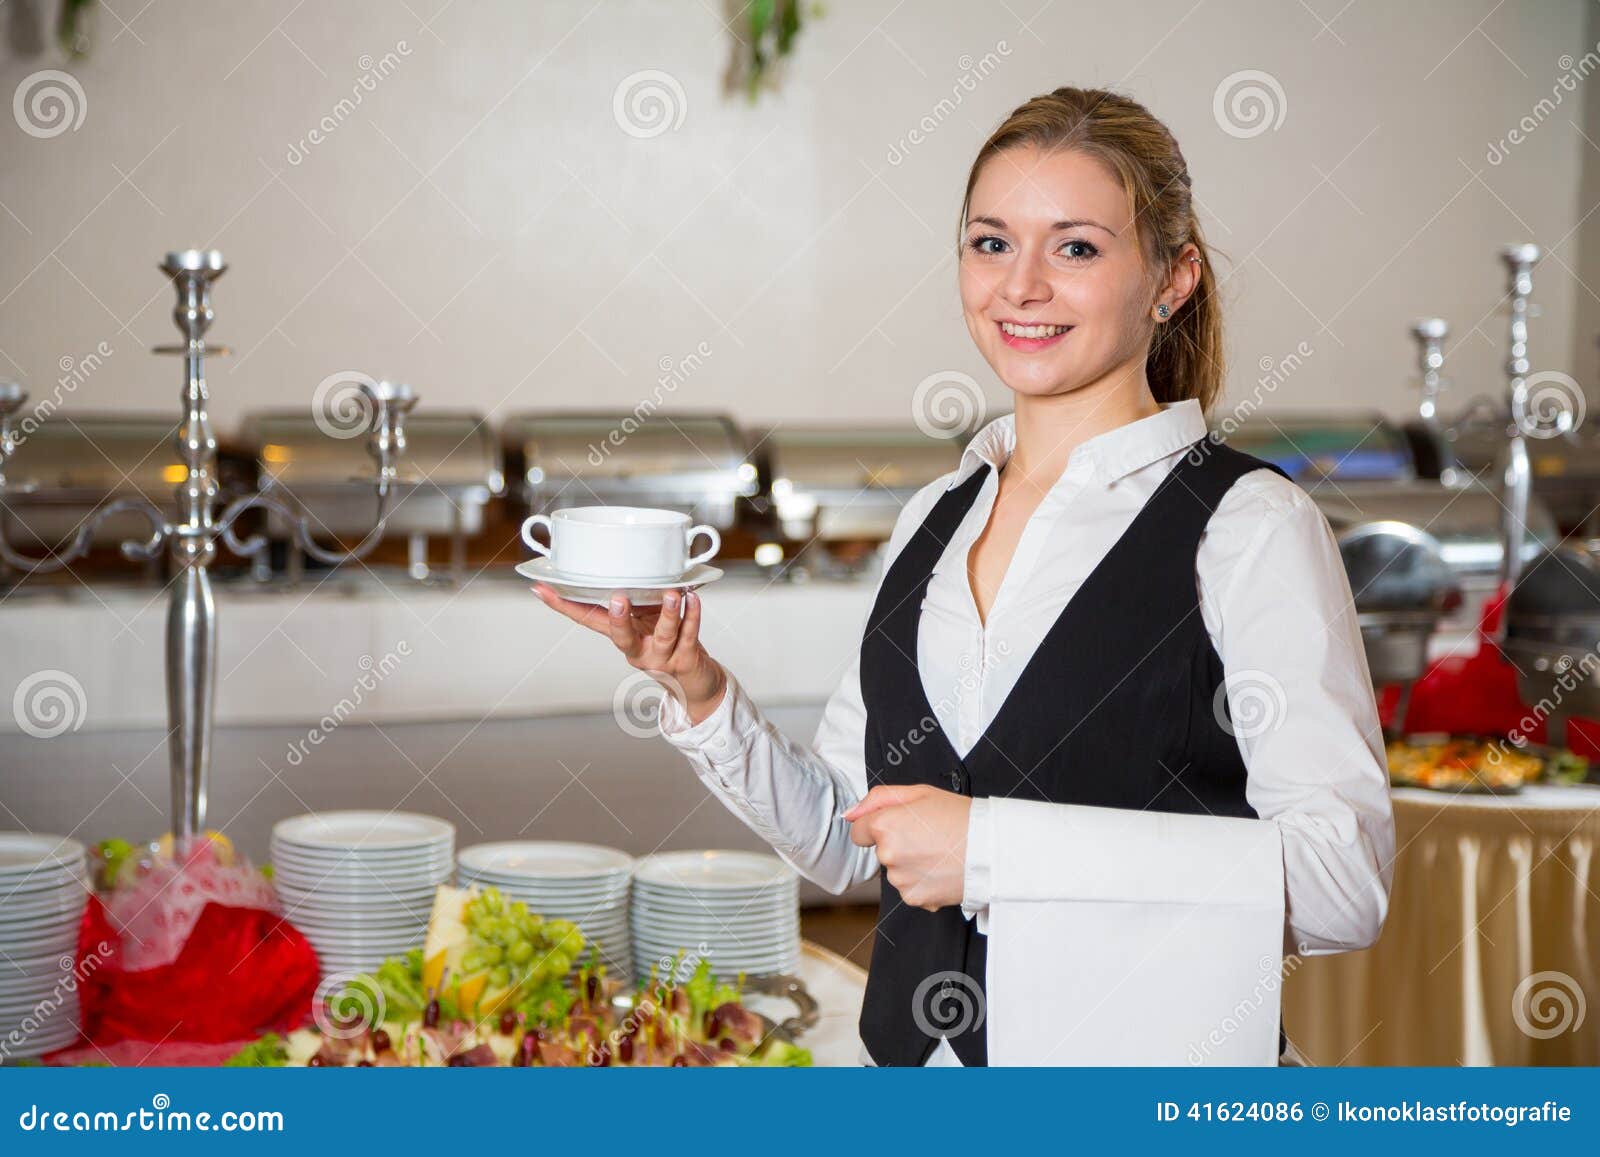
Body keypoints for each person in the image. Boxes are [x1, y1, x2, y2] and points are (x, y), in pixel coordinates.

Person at [534, 85, 1395, 1066]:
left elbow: (1342, 885)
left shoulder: (1249, 526)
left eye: (1075, 247)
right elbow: (852, 837)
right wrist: (695, 689)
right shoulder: (934, 517)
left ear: (1172, 277)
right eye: (991, 242)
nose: (1020, 286)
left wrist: (992, 850)